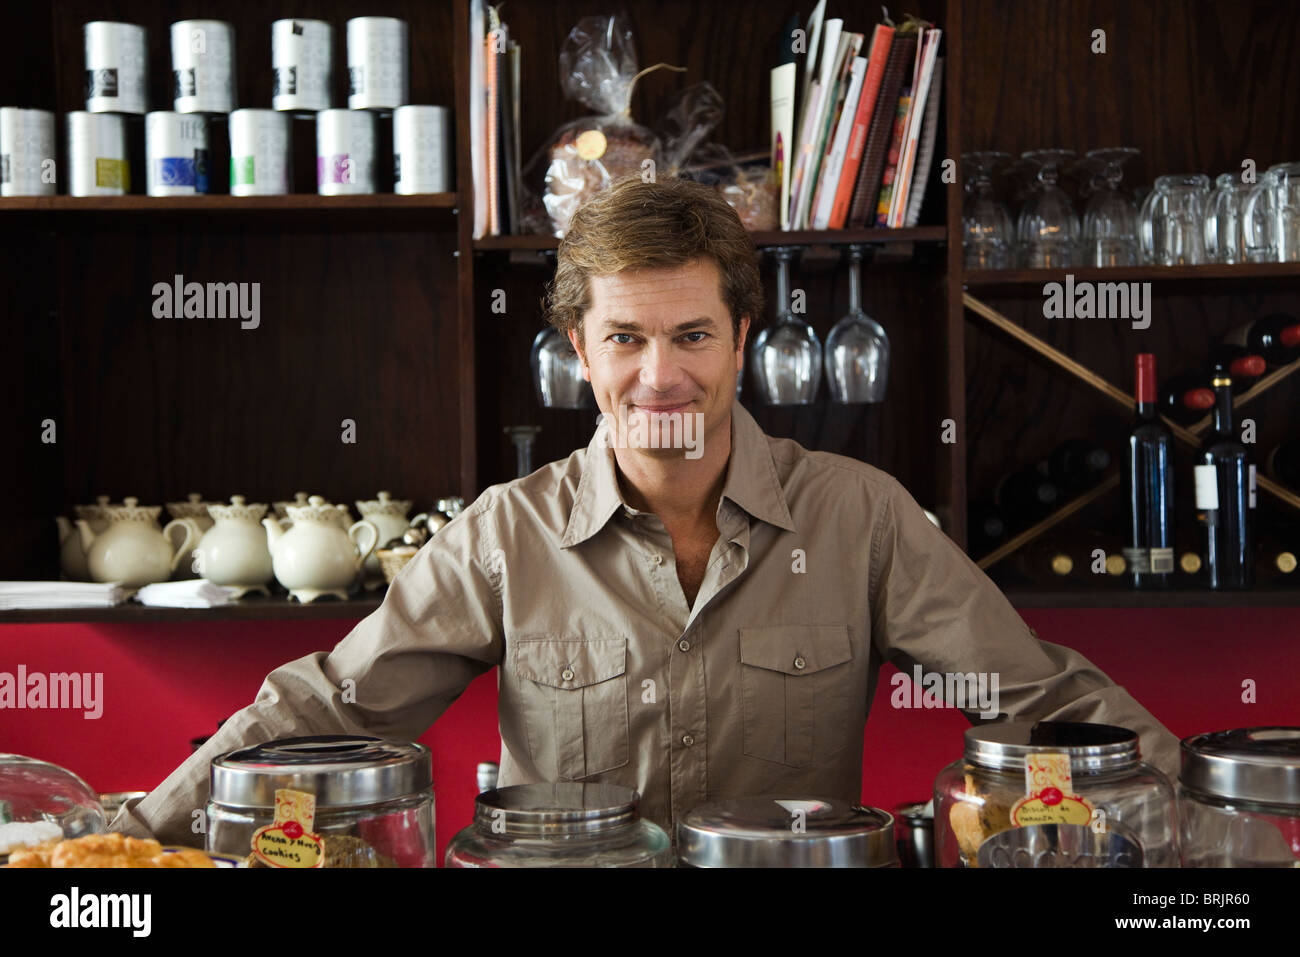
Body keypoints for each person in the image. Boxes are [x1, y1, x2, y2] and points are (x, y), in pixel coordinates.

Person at [110, 174, 1181, 846]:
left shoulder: (859, 516)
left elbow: (1038, 701)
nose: (660, 377)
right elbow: (328, 709)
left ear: (741, 340)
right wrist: (126, 838)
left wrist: (1229, 825)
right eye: (625, 338)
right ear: (579, 351)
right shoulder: (504, 534)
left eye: (692, 336)